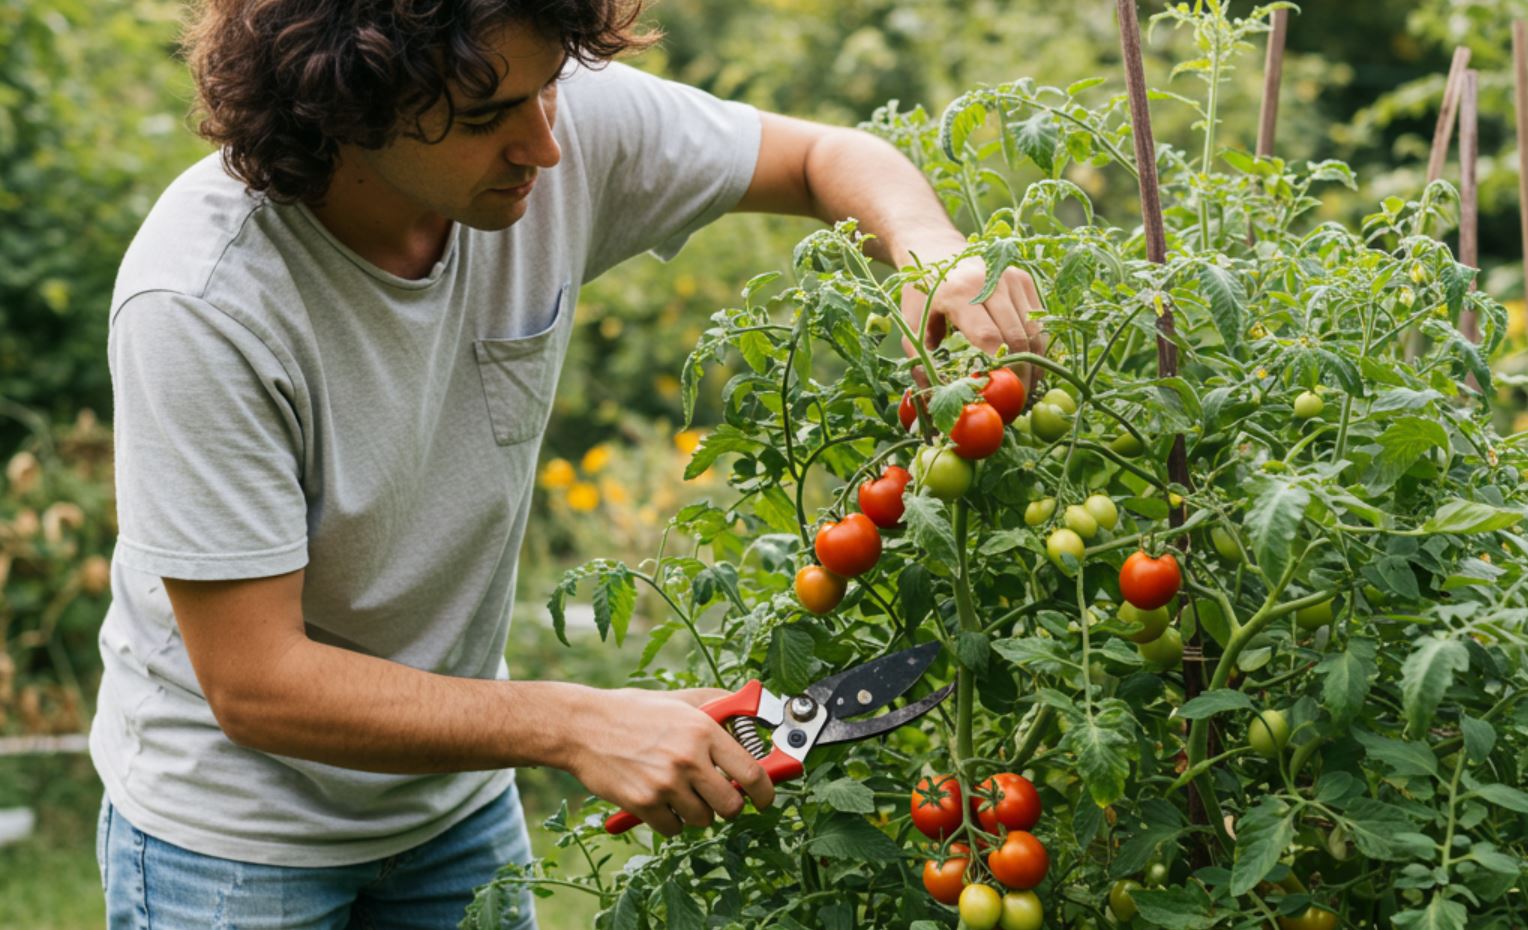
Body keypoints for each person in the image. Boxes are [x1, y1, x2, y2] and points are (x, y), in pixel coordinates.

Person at [89, 0, 1043, 926]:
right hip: (233, 845)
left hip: (451, 809)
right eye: (488, 116)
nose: (544, 145)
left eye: (547, 90)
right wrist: (576, 722)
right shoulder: (204, 300)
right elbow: (259, 684)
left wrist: (932, 254)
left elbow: (824, 155)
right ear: (348, 105)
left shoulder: (547, 120)